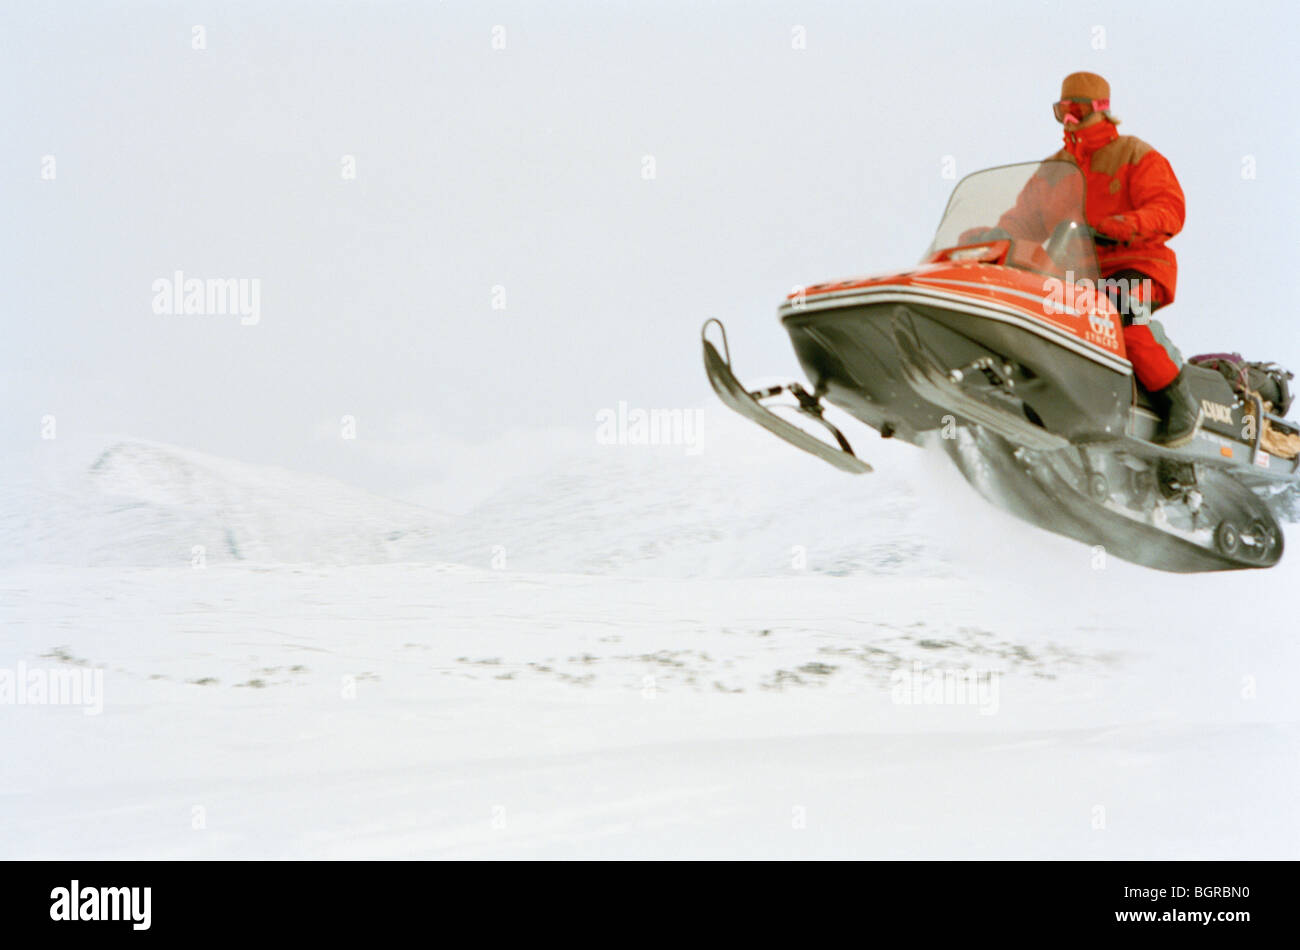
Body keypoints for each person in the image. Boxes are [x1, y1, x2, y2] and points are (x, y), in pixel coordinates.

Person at [998, 72, 1202, 447]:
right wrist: (994, 239)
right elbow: (1023, 220)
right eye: (1062, 110)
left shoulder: (1134, 154)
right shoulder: (1055, 168)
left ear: (1101, 110)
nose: (1069, 119)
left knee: (1118, 318)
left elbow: (1169, 208)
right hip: (1076, 275)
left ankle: (1180, 404)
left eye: (1076, 109)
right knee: (1039, 316)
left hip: (1135, 263)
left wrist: (1125, 224)